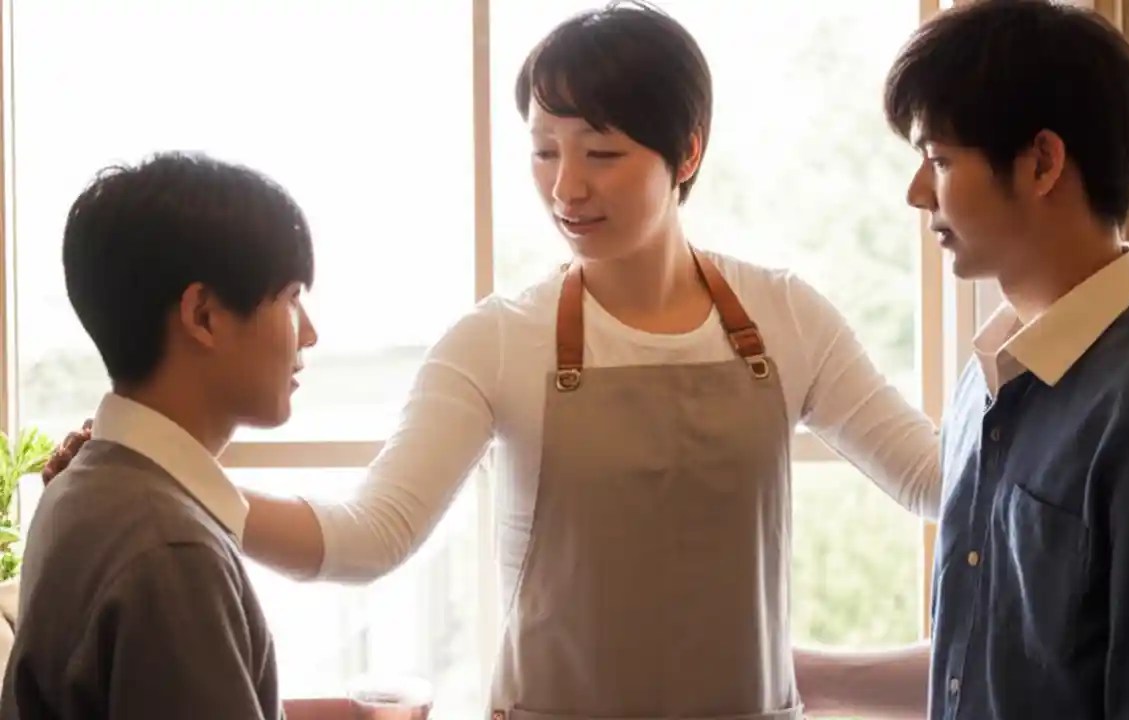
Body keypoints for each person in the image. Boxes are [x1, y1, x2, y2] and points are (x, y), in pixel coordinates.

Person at [42, 3, 943, 717]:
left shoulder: (786, 317)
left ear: (688, 151)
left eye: (601, 153)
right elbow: (369, 535)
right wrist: (182, 485)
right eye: (544, 151)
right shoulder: (500, 339)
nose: (566, 187)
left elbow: (938, 479)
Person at [802, 1, 1129, 718]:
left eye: (940, 160)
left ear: (1043, 162)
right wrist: (789, 671)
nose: (917, 193)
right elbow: (982, 671)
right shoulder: (987, 381)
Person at [0, 152, 336, 719]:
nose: (309, 333)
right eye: (290, 298)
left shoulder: (80, 487)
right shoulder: (172, 552)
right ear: (203, 315)